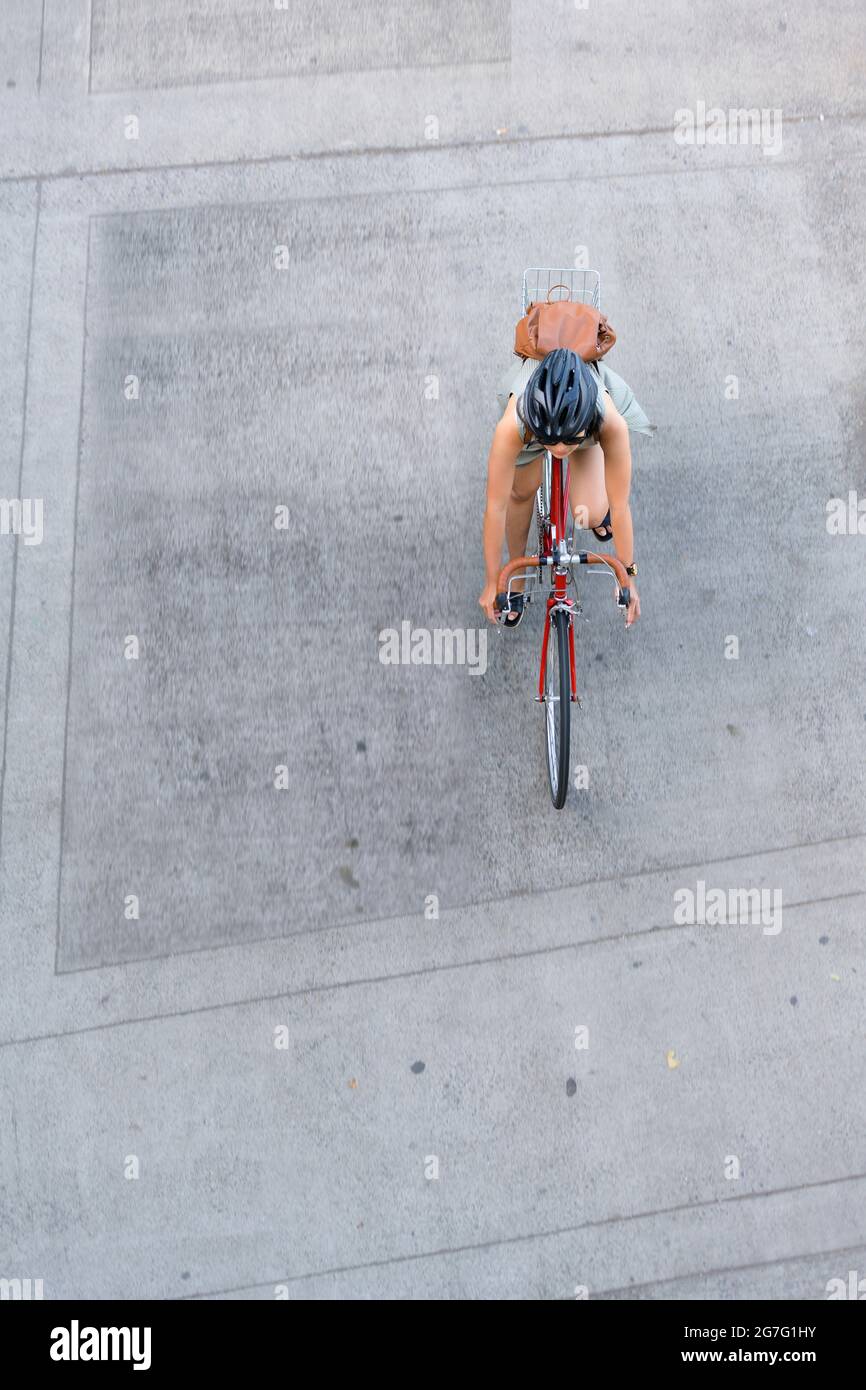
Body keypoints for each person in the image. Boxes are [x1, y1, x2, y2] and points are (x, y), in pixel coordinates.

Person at [478, 346, 653, 629]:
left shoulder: (609, 422)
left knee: (593, 514)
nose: (559, 450)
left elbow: (620, 505)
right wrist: (491, 580)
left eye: (568, 442)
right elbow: (495, 508)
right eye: (551, 441)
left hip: (579, 430)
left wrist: (628, 577)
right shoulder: (513, 425)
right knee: (520, 493)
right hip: (537, 431)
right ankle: (518, 578)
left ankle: (593, 504)